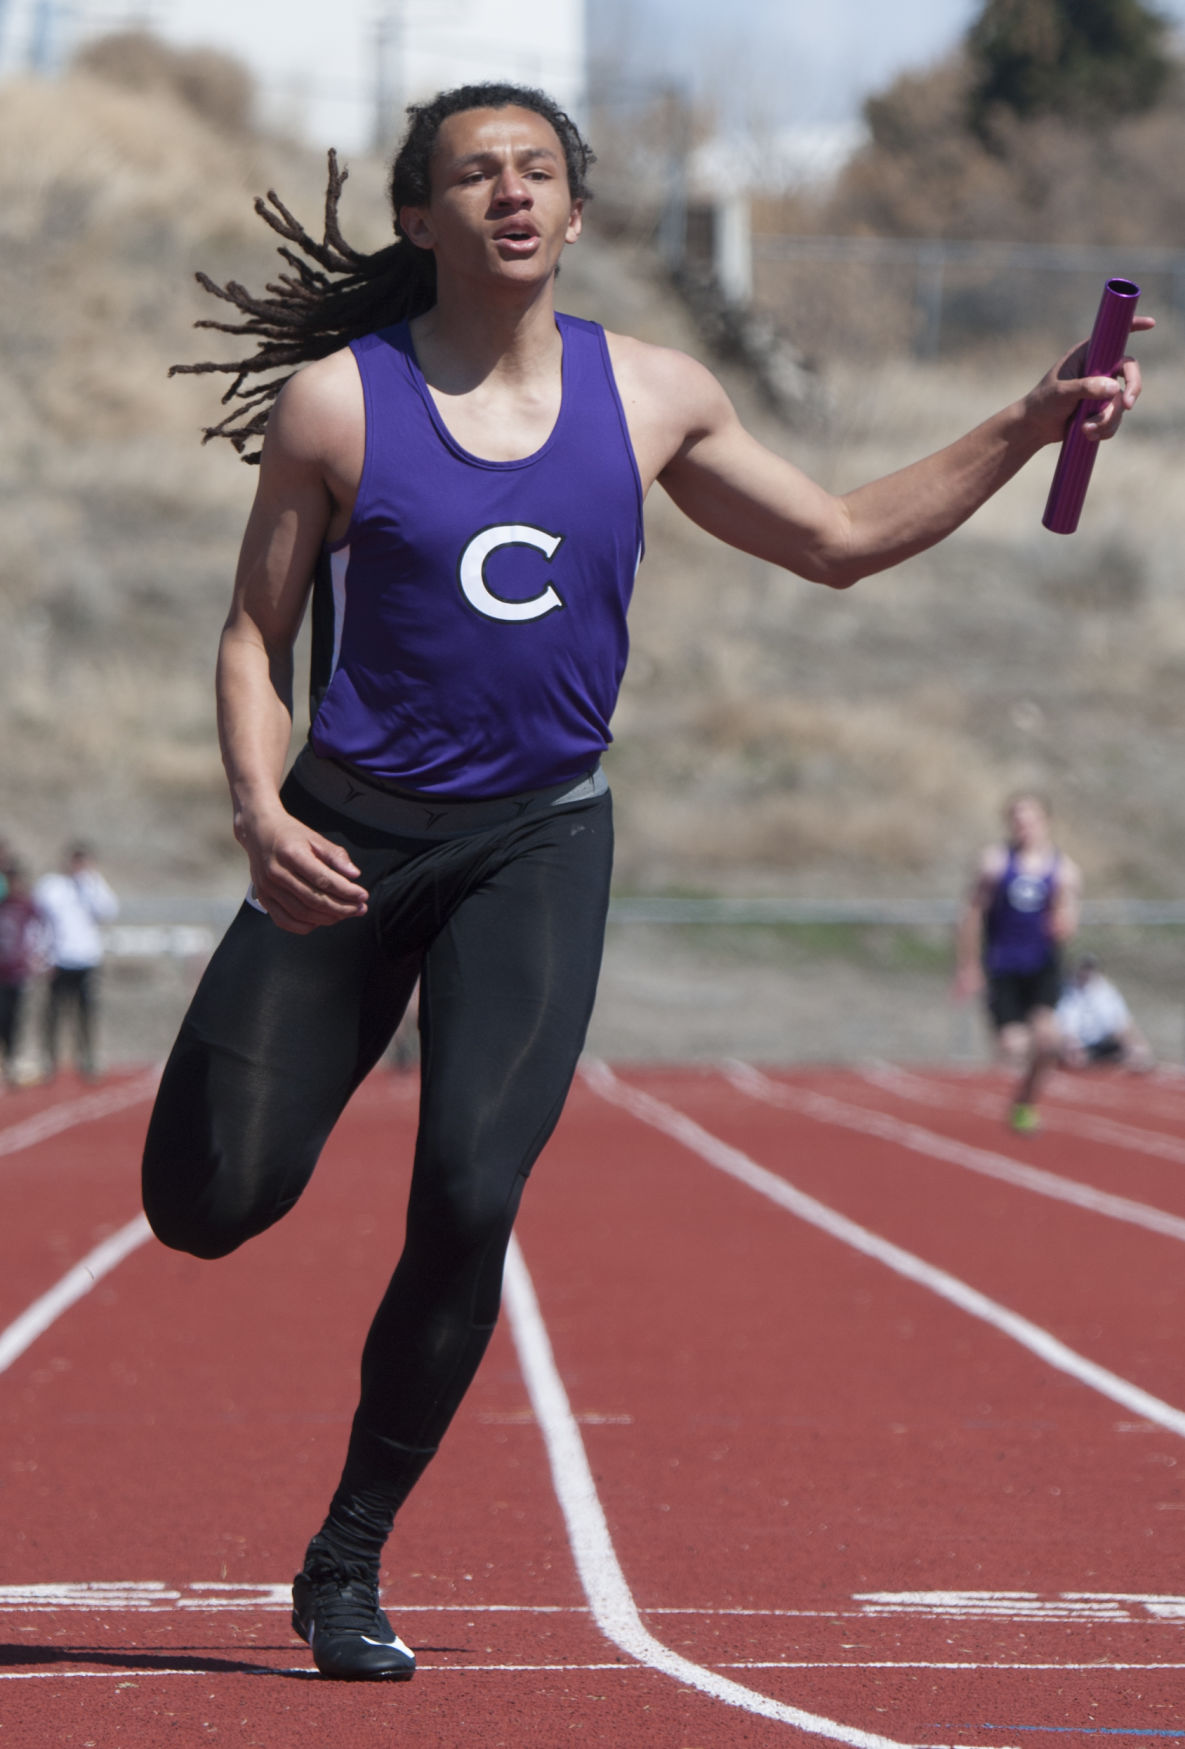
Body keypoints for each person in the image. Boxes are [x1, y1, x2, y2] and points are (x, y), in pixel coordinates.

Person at [140, 82, 1149, 1682]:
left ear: (580, 211)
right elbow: (255, 635)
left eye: (539, 171)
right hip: (342, 835)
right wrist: (260, 813)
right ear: (420, 217)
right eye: (475, 175)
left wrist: (1024, 426)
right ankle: (252, 1135)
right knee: (204, 1205)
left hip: (535, 838)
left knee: (472, 1191)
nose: (512, 195)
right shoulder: (338, 407)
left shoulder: (654, 394)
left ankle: (344, 1562)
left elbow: (834, 537)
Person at [955, 792, 1082, 1132]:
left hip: (1041, 965)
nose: (1024, 827)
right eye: (1017, 821)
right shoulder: (995, 864)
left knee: (1050, 1042)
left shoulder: (1063, 870)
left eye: (1031, 820)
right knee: (1012, 1046)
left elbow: (1068, 916)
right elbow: (972, 914)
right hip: (1003, 965)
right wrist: (968, 966)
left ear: (1046, 822)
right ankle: (1023, 1093)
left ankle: (1025, 1101)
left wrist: (1064, 920)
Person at [34, 842, 119, 1082]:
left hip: (86, 959)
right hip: (58, 959)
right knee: (53, 1013)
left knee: (86, 1013)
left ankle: (88, 1059)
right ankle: (49, 1060)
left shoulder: (93, 885)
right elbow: (40, 921)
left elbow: (109, 911)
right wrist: (42, 954)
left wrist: (90, 881)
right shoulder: (52, 886)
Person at [1057, 954, 1153, 1072]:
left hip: (1100, 1045)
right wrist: (1071, 1046)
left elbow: (1122, 1024)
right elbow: (1063, 1026)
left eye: (1089, 969)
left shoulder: (1105, 992)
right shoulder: (1063, 990)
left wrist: (1138, 1045)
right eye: (1083, 969)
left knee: (1132, 1053)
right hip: (1073, 1045)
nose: (1086, 973)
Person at [0, 860, 47, 1088]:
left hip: (17, 972)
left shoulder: (26, 906)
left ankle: (11, 1060)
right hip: (1, 970)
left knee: (14, 1018)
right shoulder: (2, 904)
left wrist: (38, 958)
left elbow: (39, 932)